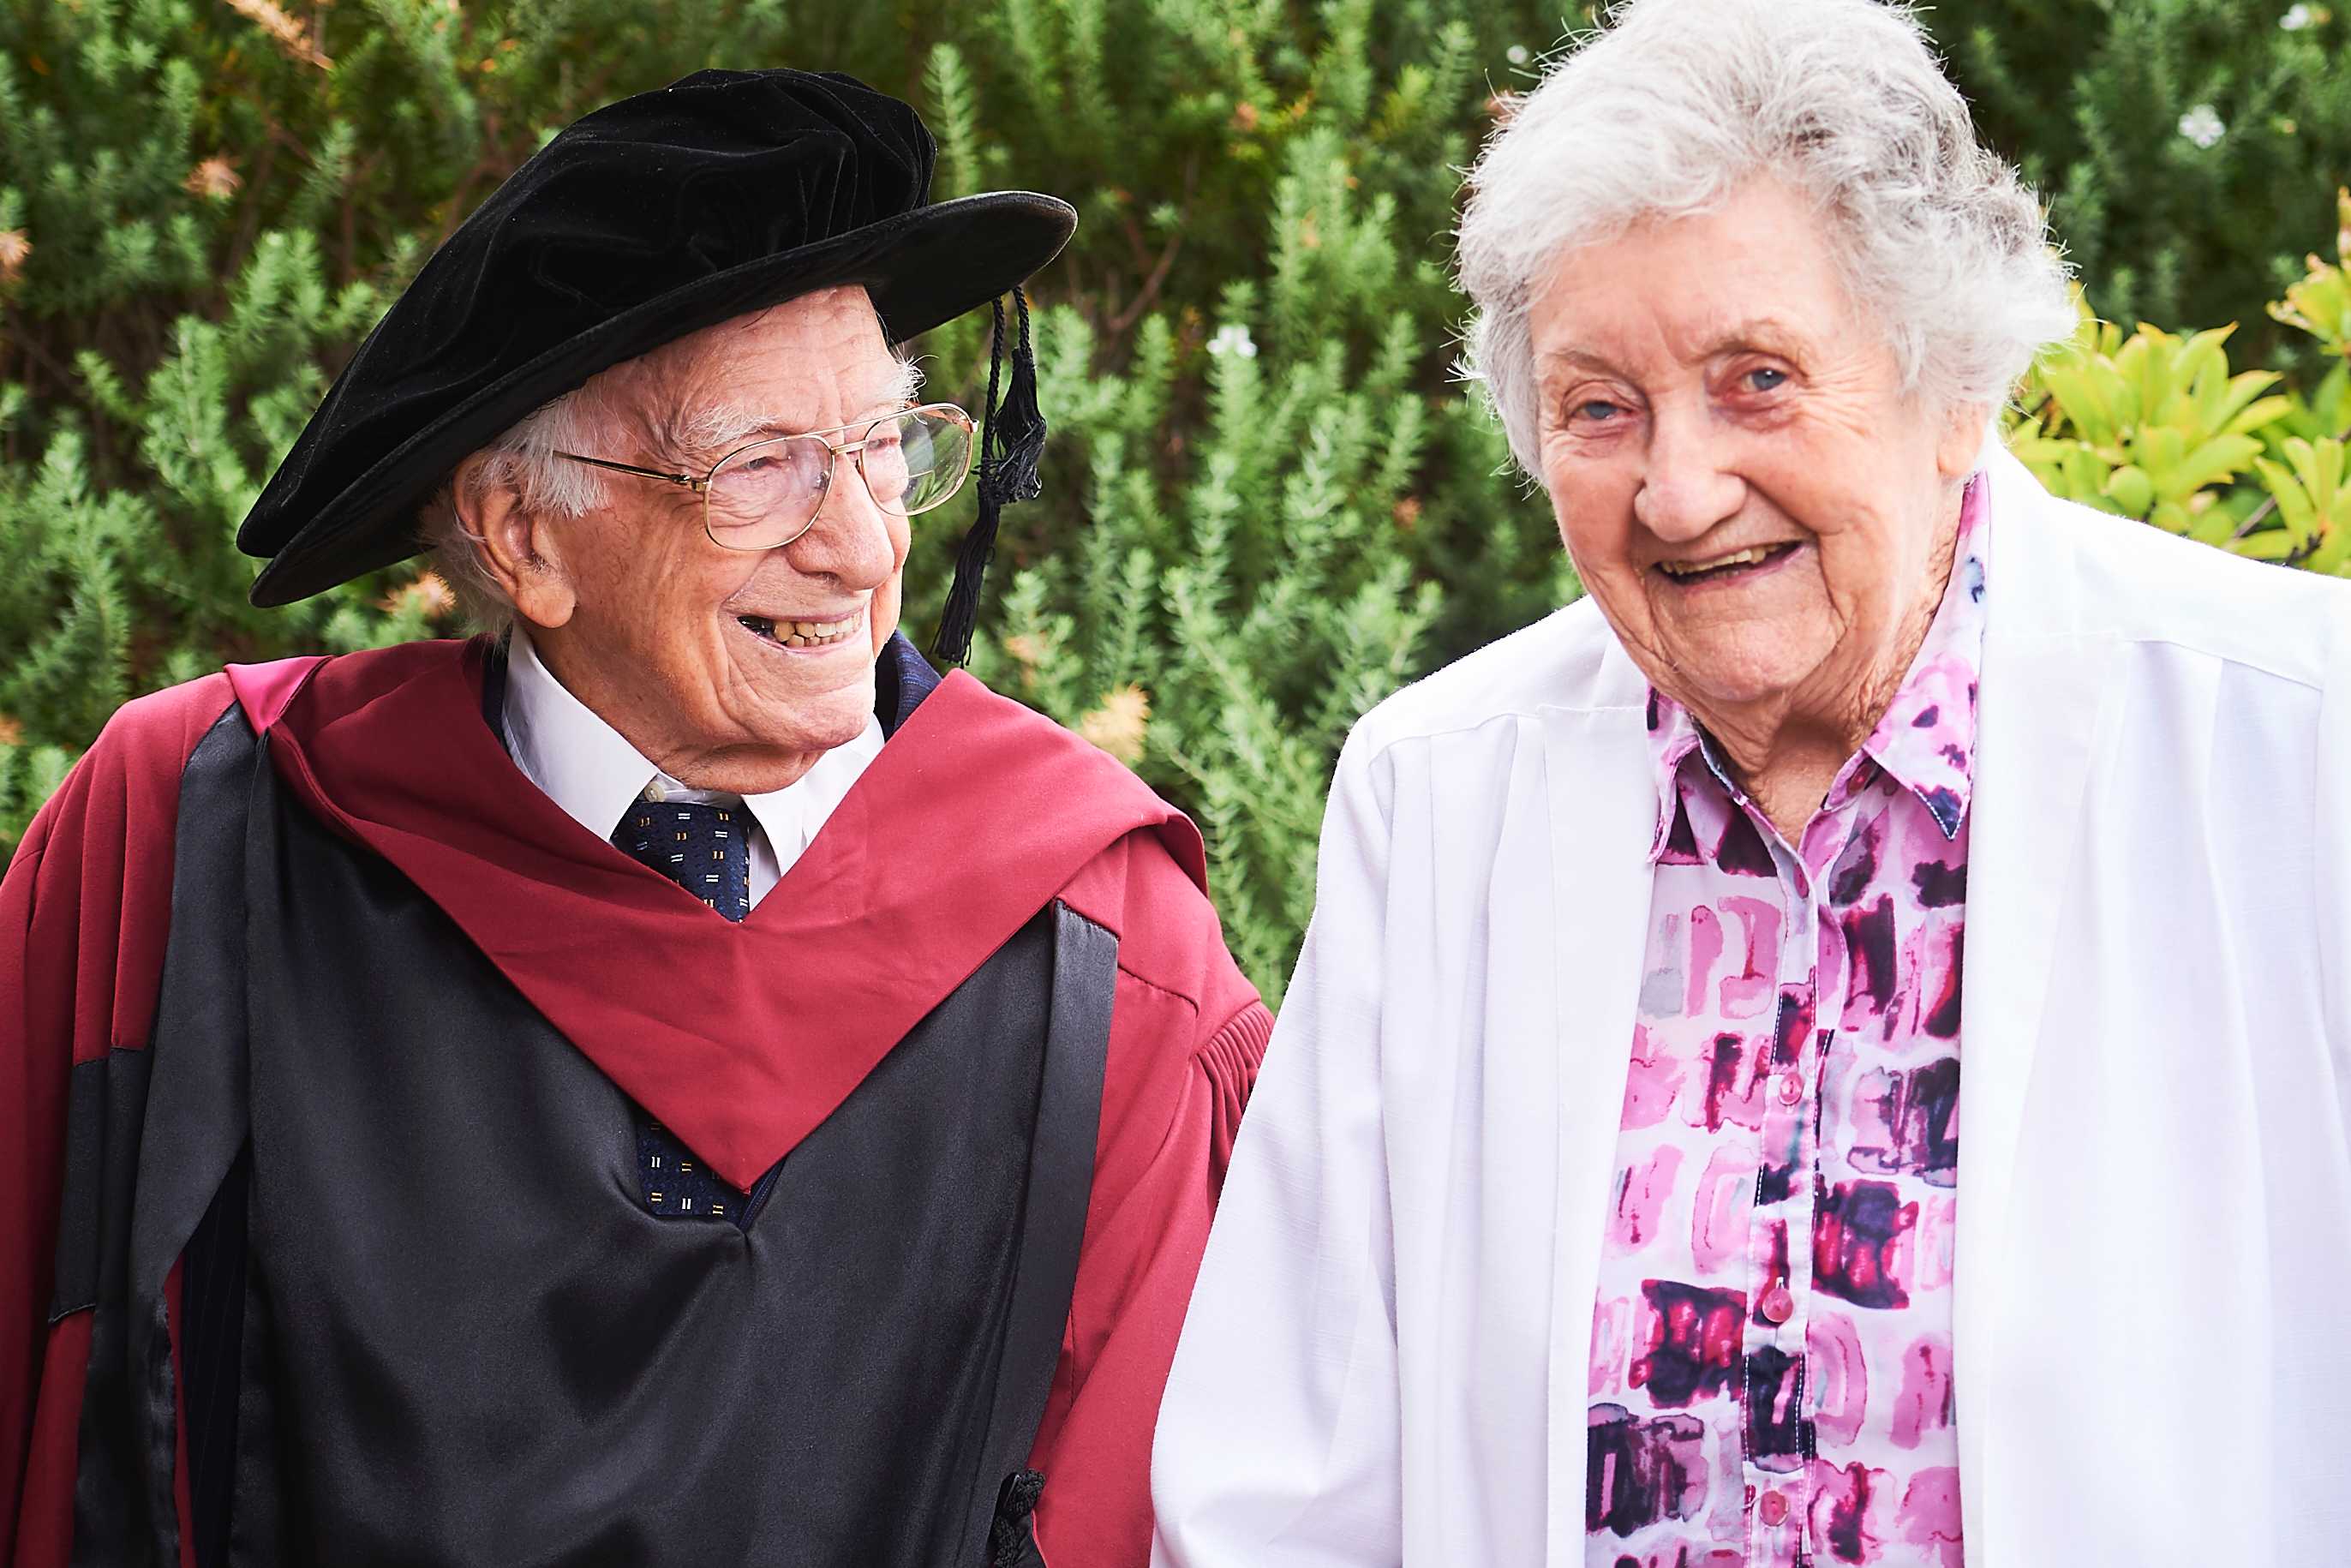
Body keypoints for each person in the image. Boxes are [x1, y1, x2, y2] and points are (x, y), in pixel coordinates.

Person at [1, 69, 1271, 1568]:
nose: (863, 544)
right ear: (525, 534)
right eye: (760, 467)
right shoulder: (195, 843)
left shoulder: (1109, 952)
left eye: (884, 444)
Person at [1150, 2, 2351, 1564]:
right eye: (1600, 406)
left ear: (1955, 388)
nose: (1679, 487)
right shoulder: (1438, 794)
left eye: (1758, 378)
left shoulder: (2293, 743)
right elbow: (1280, 1487)